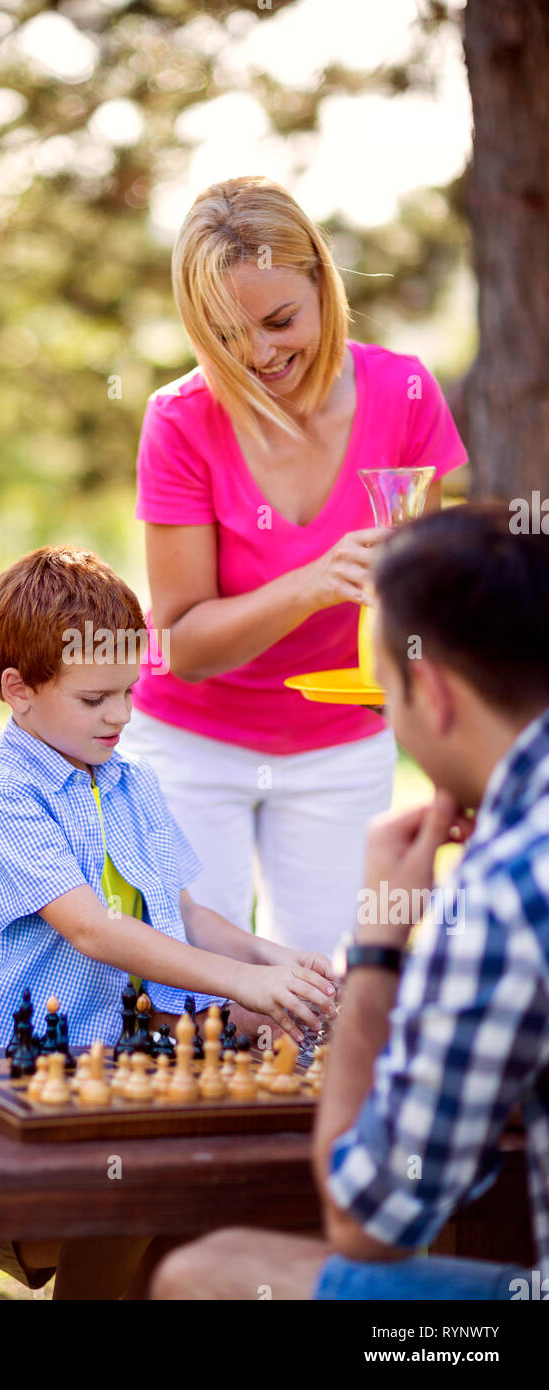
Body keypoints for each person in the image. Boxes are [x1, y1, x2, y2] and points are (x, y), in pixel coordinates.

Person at [149, 504, 549, 1301]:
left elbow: (367, 1217)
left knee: (208, 1276)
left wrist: (375, 950)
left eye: (383, 694)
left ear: (430, 694)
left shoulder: (504, 895)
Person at [0, 543, 338, 1298]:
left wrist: (278, 957)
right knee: (125, 1206)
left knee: (196, 1203)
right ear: (17, 690)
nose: (121, 715)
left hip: (131, 1047)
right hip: (24, 1060)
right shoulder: (3, 793)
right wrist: (244, 983)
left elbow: (183, 911)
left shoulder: (130, 779)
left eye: (128, 691)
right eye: (95, 700)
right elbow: (91, 929)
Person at [119, 175, 468, 956]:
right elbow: (181, 643)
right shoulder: (180, 421)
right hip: (190, 742)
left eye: (280, 321)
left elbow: (422, 614)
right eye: (229, 335)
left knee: (324, 990)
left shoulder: (404, 393)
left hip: (341, 740)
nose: (261, 355)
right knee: (199, 995)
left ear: (320, 278)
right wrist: (309, 587)